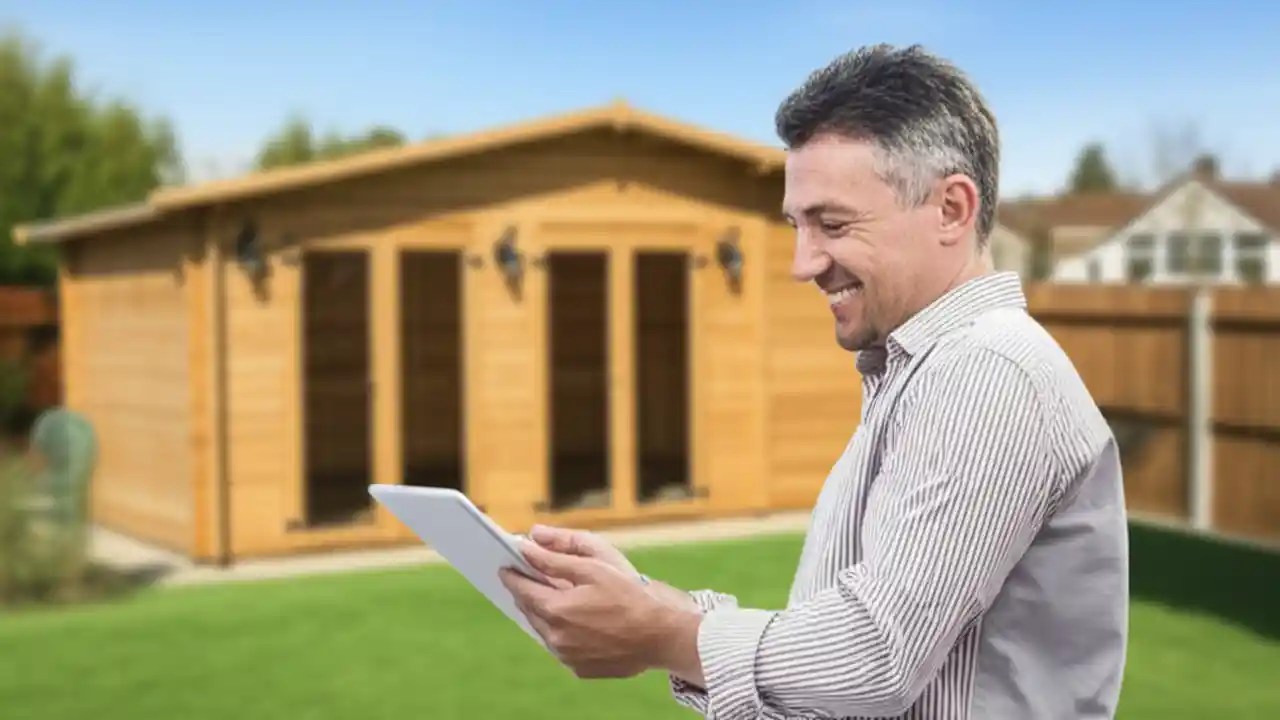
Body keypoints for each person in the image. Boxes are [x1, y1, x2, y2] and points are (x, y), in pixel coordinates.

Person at [500, 43, 1128, 719]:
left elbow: (876, 653)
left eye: (832, 224)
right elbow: (848, 640)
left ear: (951, 209)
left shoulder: (988, 373)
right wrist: (650, 607)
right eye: (797, 226)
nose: (803, 262)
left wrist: (664, 634)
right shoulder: (922, 374)